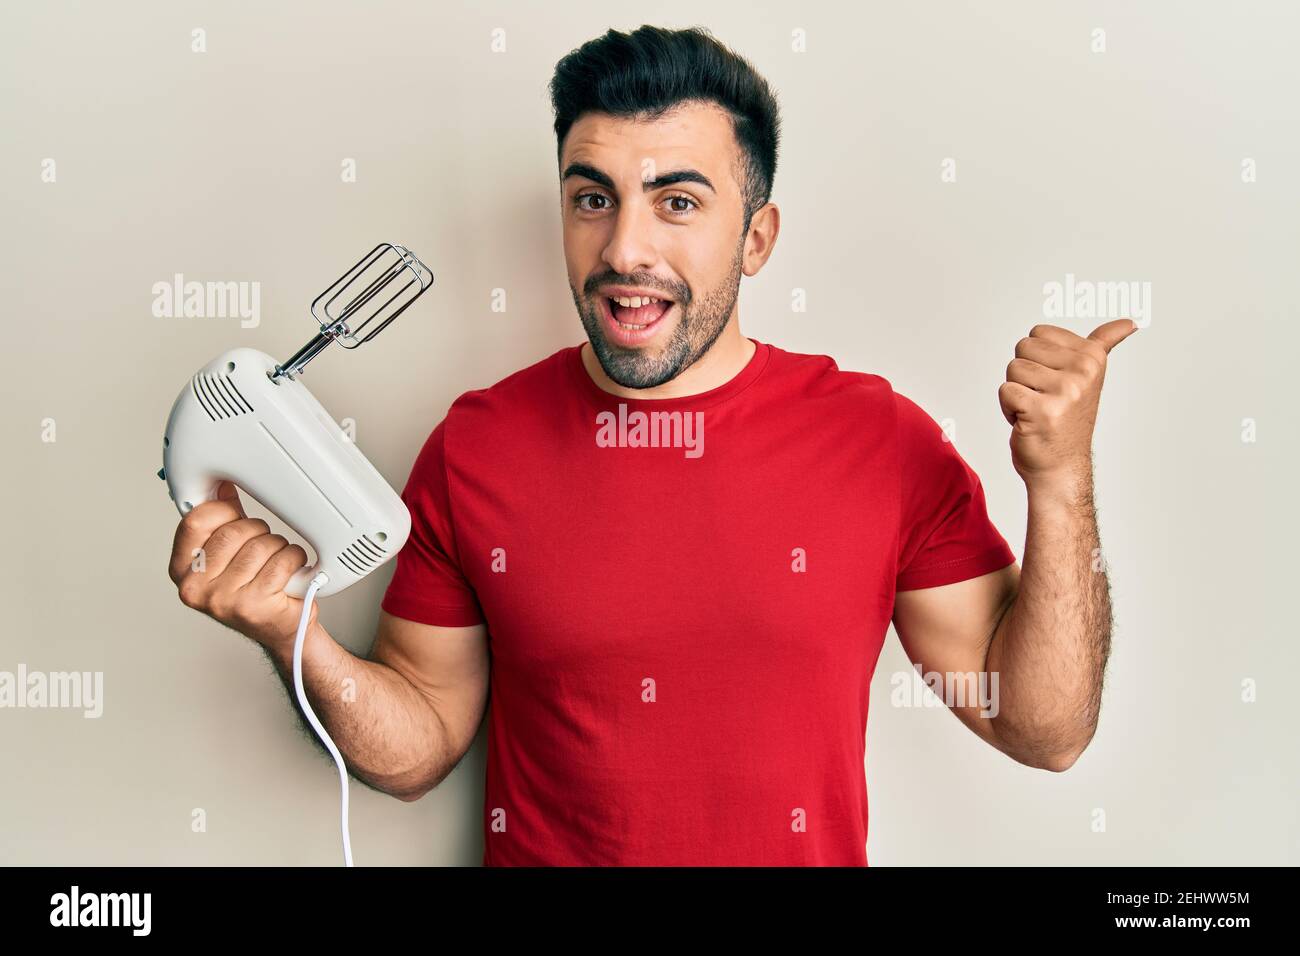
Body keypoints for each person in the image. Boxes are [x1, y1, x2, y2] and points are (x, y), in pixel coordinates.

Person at [167, 25, 1135, 866]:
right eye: (592, 198)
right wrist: (292, 635)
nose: (624, 249)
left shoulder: (878, 442)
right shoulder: (476, 447)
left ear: (756, 238)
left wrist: (1059, 479)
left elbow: (1041, 727)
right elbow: (419, 739)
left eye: (677, 202)